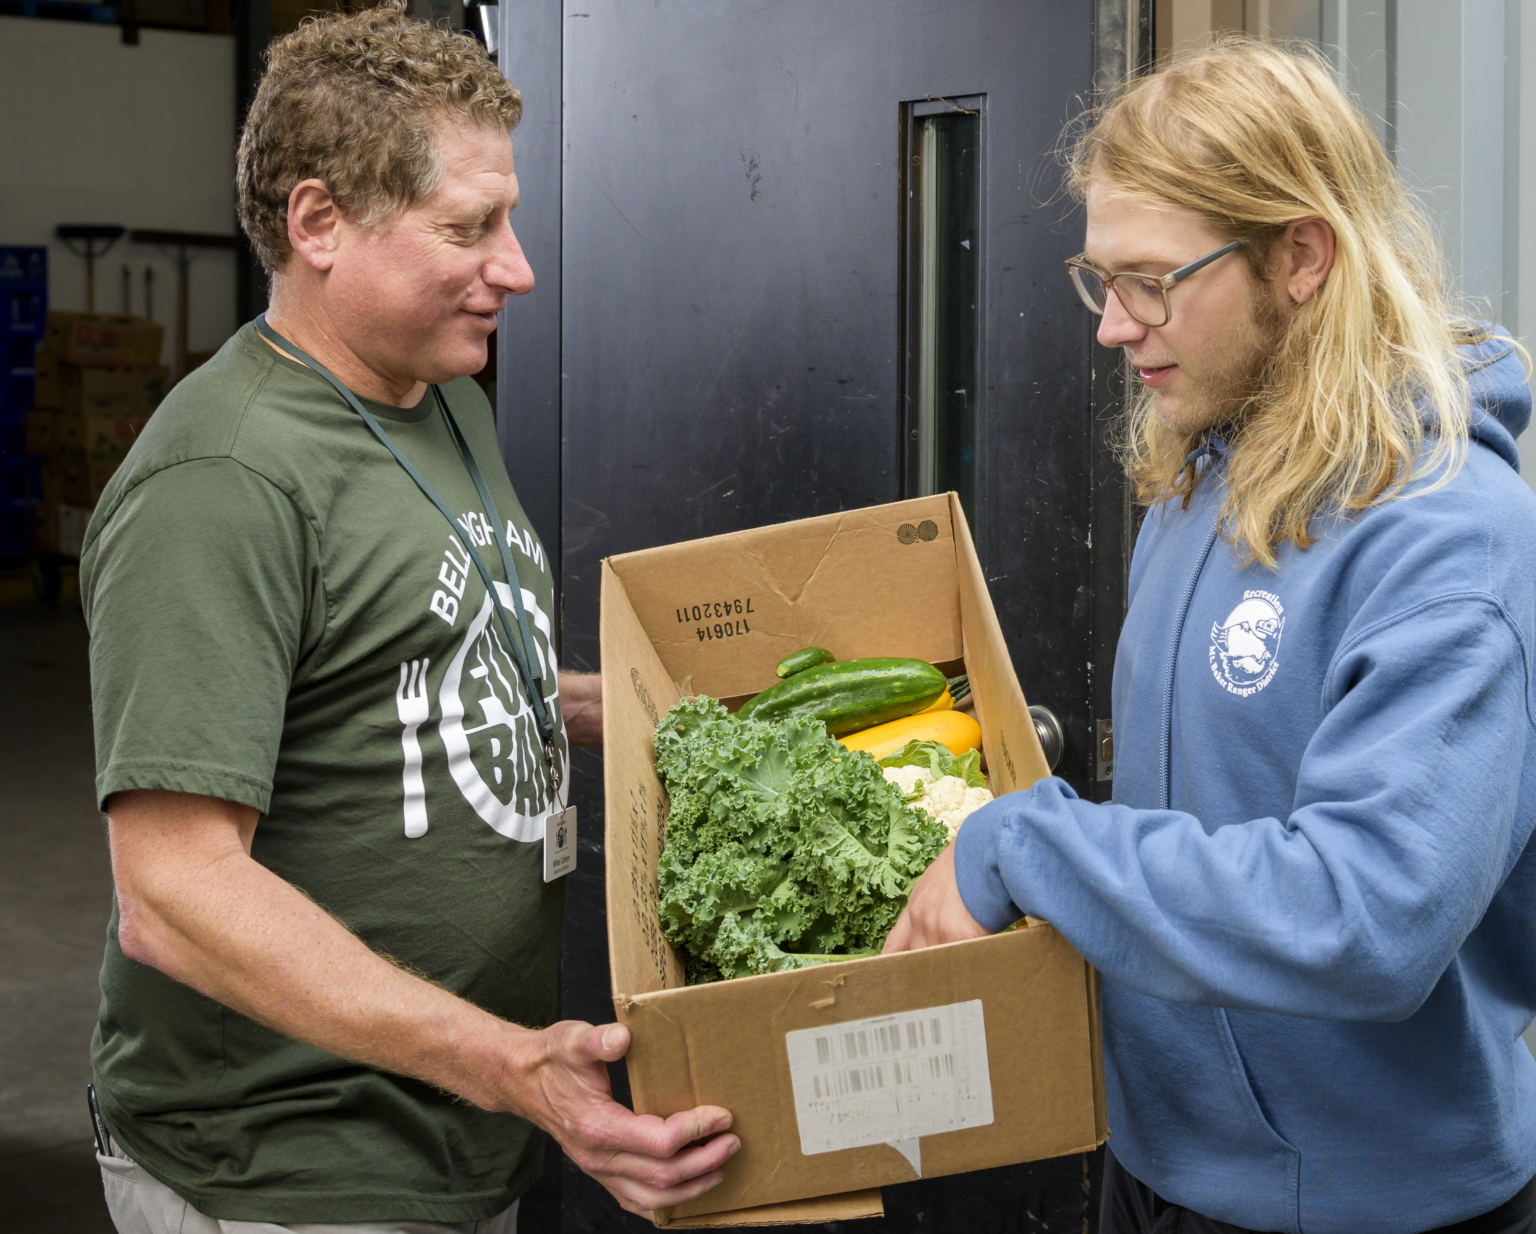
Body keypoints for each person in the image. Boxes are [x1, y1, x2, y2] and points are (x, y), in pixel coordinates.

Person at [80, 5, 736, 1231]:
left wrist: (664, 717)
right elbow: (171, 892)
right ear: (319, 222)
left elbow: (436, 678)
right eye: (471, 227)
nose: (518, 266)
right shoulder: (224, 480)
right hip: (289, 1176)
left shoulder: (439, 398)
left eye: (512, 217)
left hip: (454, 1142)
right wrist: (506, 1063)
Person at [885, 38, 1536, 1234]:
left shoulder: (1454, 537)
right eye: (1101, 280)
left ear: (1300, 254)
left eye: (1151, 280)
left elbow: (1370, 918)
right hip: (1159, 1167)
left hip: (1366, 1208)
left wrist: (1030, 848)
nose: (1112, 329)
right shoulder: (1201, 480)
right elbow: (1198, 821)